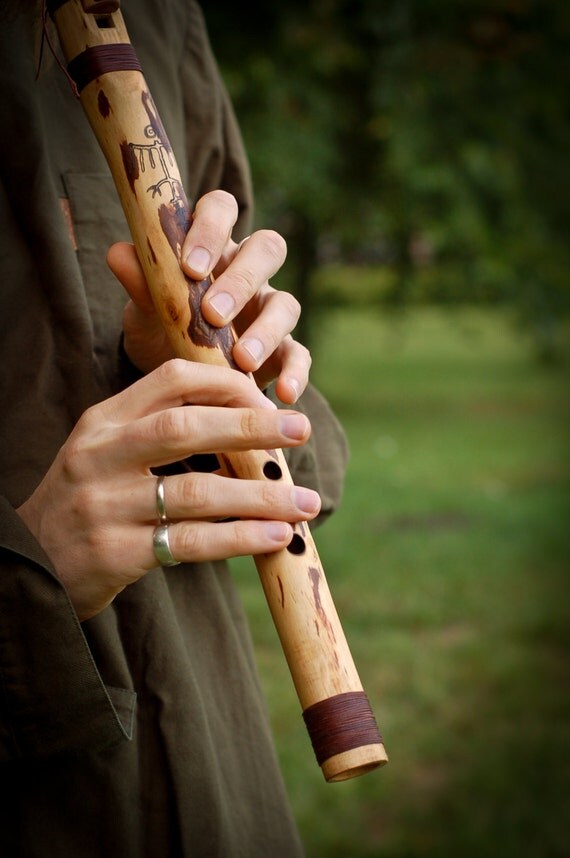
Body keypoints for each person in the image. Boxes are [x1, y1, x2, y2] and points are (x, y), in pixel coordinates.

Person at [0, 1, 348, 856]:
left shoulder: (155, 20)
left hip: (207, 745)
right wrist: (25, 581)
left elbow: (301, 453)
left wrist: (203, 366)